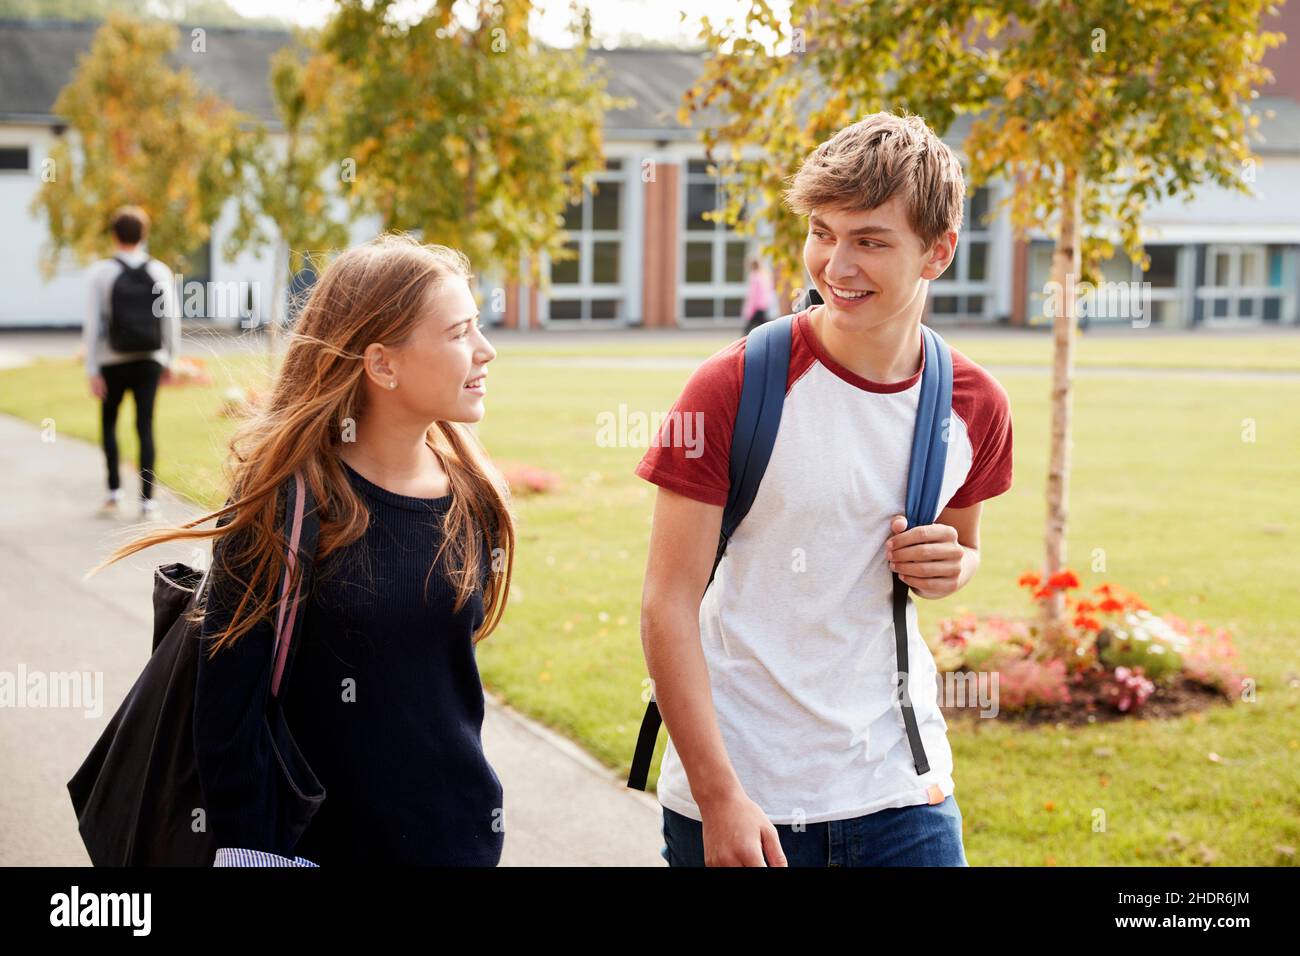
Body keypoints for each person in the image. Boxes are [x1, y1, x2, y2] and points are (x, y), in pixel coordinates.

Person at [635, 111, 1014, 867]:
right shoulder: (733, 386)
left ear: (937, 252)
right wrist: (719, 799)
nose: (835, 265)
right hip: (745, 798)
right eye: (821, 232)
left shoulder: (973, 402)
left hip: (904, 796)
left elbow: (966, 548)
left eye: (869, 241)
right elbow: (666, 603)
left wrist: (954, 566)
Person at [95, 232, 515, 865]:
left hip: (457, 843)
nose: (485, 352)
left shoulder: (472, 495)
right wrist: (255, 855)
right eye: (459, 334)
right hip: (316, 852)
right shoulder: (287, 506)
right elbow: (226, 714)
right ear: (382, 364)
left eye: (477, 327)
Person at [84, 206, 180, 520]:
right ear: (144, 235)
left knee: (110, 422)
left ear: (114, 235)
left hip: (113, 359)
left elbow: (93, 323)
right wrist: (170, 359)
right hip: (150, 359)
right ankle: (147, 501)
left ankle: (113, 493)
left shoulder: (101, 272)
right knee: (145, 425)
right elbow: (170, 320)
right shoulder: (160, 271)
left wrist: (93, 369)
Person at [740, 255, 775, 336]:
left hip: (756, 307)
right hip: (763, 306)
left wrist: (749, 309)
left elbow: (753, 295)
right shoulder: (764, 275)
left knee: (747, 329)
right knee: (765, 327)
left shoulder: (754, 276)